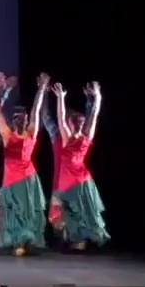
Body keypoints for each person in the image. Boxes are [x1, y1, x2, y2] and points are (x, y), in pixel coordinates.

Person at [0, 73, 50, 256]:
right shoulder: (8, 135)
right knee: (13, 211)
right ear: (14, 119)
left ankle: (27, 240)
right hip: (11, 179)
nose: (21, 119)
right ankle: (17, 241)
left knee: (28, 210)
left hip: (28, 178)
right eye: (17, 117)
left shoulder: (31, 132)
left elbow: (35, 110)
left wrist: (41, 89)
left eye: (23, 117)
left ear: (25, 120)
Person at [49, 82, 108, 250]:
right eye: (78, 122)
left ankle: (82, 239)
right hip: (69, 179)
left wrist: (98, 97)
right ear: (72, 122)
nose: (81, 124)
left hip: (80, 178)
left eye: (82, 122)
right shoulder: (68, 137)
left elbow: (94, 116)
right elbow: (61, 118)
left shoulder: (85, 136)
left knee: (83, 210)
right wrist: (60, 98)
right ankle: (73, 239)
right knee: (69, 211)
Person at [40, 79, 97, 235]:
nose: (74, 123)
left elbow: (88, 122)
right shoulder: (59, 136)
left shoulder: (79, 139)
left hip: (75, 179)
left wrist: (91, 100)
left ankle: (76, 236)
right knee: (60, 216)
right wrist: (43, 93)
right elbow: (45, 117)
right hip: (60, 179)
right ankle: (65, 236)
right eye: (71, 120)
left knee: (76, 211)